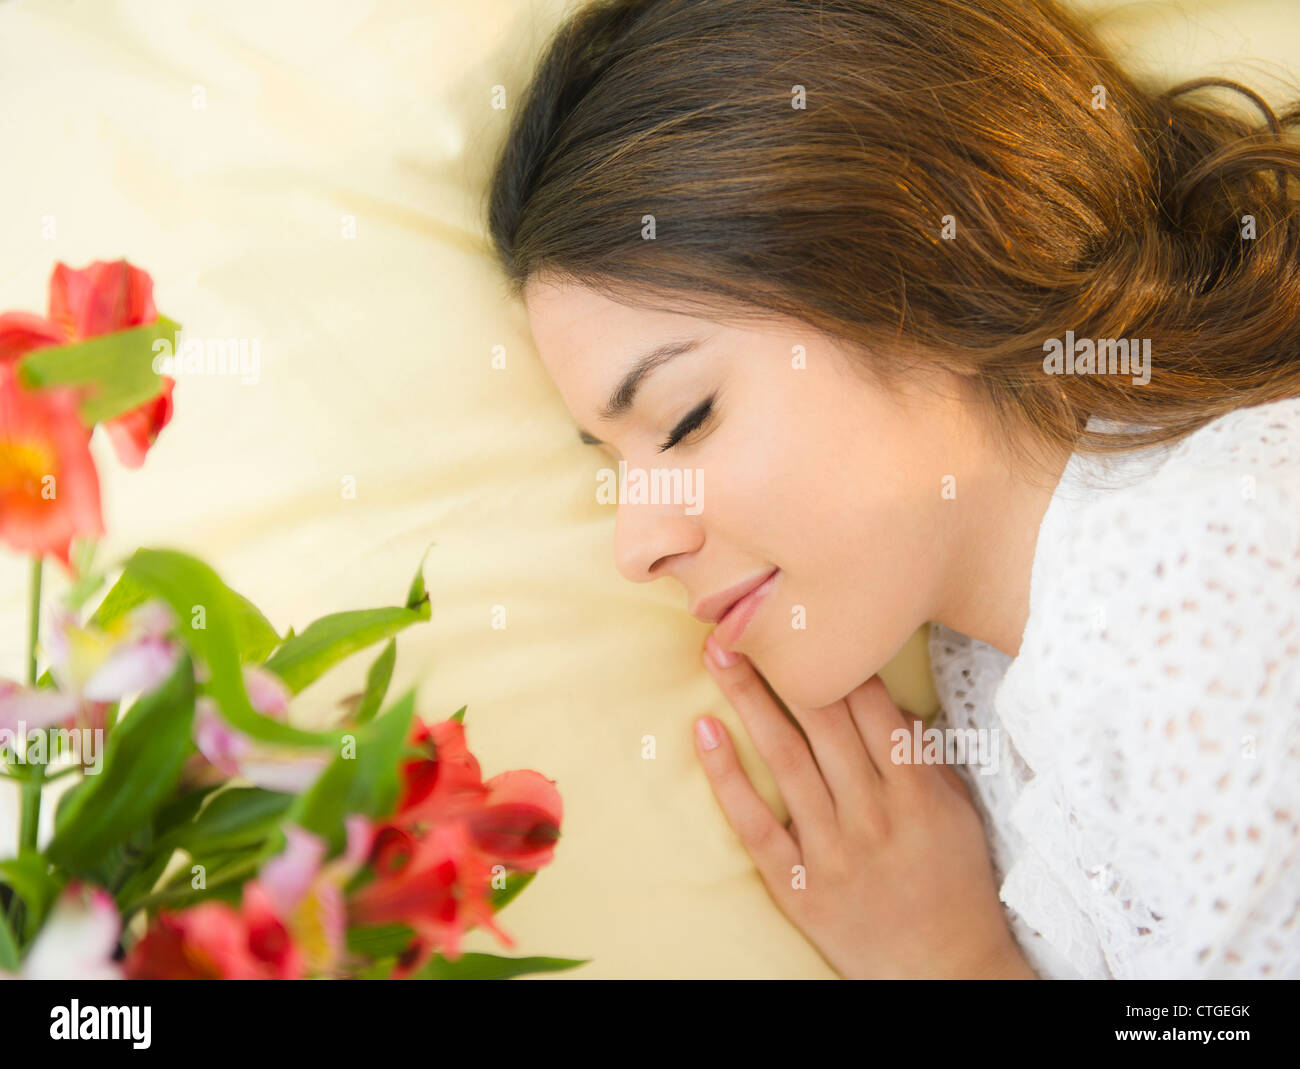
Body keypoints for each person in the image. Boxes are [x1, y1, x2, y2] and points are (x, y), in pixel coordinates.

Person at [484, 0, 1300, 978]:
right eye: (611, 463)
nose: (635, 546)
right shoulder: (998, 643)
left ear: (924, 270)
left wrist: (952, 964)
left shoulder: (1207, 583)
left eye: (686, 416)